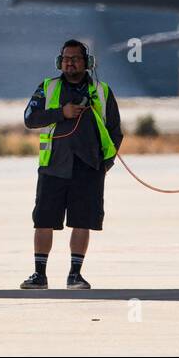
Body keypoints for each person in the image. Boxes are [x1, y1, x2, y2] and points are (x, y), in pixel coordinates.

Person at [19, 39, 121, 289]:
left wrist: (104, 164)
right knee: (43, 220)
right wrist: (60, 114)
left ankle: (75, 274)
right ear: (59, 62)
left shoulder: (101, 90)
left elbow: (115, 131)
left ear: (87, 63)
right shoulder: (47, 88)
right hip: (54, 165)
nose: (70, 63)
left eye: (75, 58)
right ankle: (39, 275)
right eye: (65, 59)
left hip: (88, 168)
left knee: (82, 221)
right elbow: (30, 119)